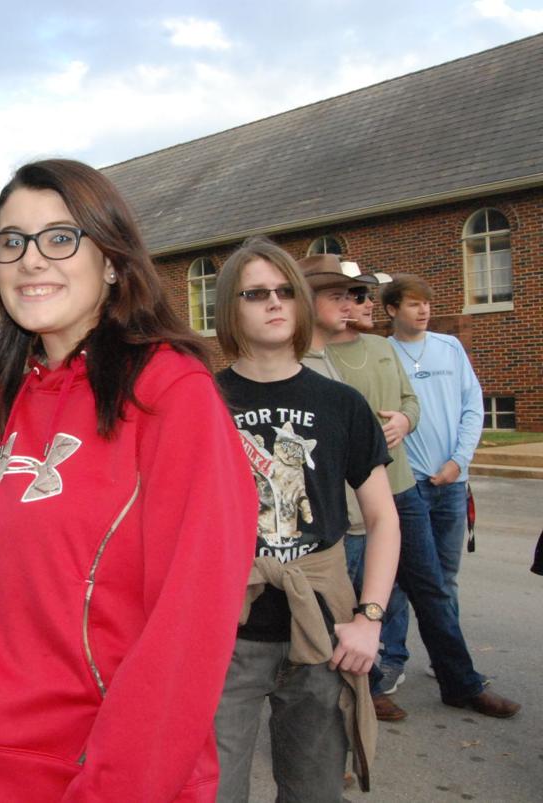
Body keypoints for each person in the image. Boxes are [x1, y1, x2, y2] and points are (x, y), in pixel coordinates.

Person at [0, 161, 256, 802]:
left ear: (111, 259)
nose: (31, 260)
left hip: (90, 777)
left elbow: (189, 624)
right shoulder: (1, 400)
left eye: (60, 238)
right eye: (11, 241)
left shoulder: (172, 394)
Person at [210, 238, 398, 800]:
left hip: (321, 630)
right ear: (230, 308)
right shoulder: (201, 403)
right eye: (255, 293)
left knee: (314, 791)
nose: (274, 302)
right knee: (210, 789)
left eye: (286, 290)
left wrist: (369, 617)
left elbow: (383, 517)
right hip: (226, 634)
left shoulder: (340, 403)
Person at [299, 256, 519, 722]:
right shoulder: (310, 359)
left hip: (401, 490)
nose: (354, 302)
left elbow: (408, 400)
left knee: (432, 589)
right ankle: (367, 691)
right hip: (346, 504)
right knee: (356, 602)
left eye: (356, 295)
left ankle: (460, 682)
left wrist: (404, 419)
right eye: (342, 295)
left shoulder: (382, 350)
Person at [380, 274, 483, 684]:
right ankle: (392, 660)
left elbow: (473, 407)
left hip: (453, 483)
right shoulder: (382, 355)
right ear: (391, 310)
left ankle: (446, 660)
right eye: (412, 304)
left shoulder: (450, 347)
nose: (423, 311)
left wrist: (459, 461)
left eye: (426, 303)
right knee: (402, 579)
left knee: (446, 578)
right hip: (409, 486)